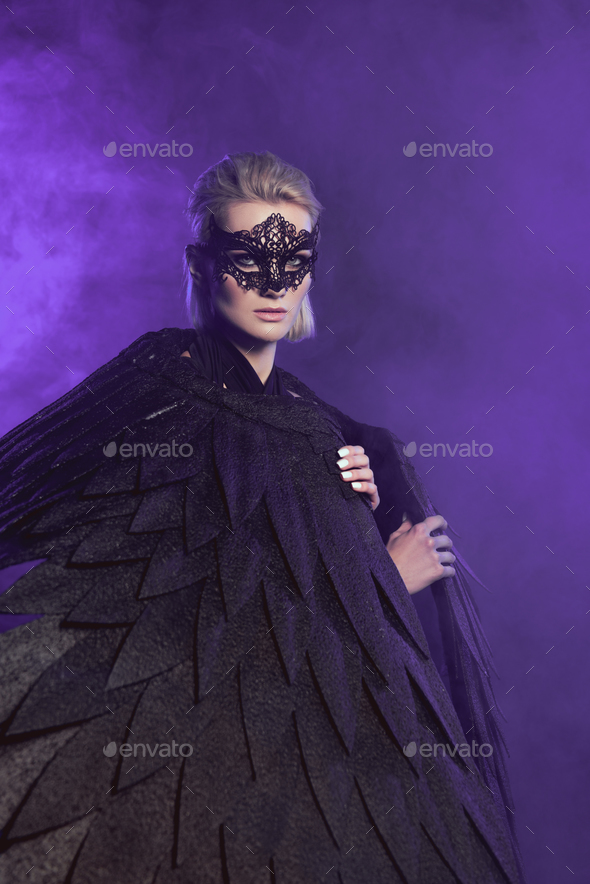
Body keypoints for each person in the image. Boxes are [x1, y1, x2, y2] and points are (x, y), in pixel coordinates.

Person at [0, 151, 524, 883]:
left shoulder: (323, 426)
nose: (275, 283)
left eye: (295, 258)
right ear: (202, 263)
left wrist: (352, 526)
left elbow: (299, 615)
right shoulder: (163, 381)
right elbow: (202, 627)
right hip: (183, 766)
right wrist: (382, 581)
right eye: (249, 257)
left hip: (301, 778)